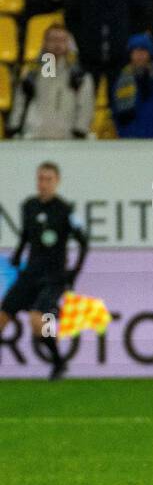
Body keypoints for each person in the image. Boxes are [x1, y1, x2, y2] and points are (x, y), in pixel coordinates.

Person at [0, 162, 87, 381]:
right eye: (40, 179)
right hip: (30, 273)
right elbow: (26, 236)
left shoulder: (65, 210)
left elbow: (83, 243)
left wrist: (73, 273)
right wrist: (18, 255)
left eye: (48, 179)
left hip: (54, 277)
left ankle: (58, 362)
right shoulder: (29, 206)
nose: (43, 184)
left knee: (39, 321)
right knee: (2, 317)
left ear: (57, 182)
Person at [6, 24, 95, 140]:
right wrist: (14, 128)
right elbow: (20, 102)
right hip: (34, 137)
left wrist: (79, 132)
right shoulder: (31, 75)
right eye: (53, 40)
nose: (57, 44)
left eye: (62, 40)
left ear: (69, 44)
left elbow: (85, 106)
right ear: (44, 43)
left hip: (67, 138)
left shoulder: (79, 76)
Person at [111, 33, 153, 138]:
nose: (139, 56)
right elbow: (118, 116)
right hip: (132, 142)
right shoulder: (122, 84)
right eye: (135, 51)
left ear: (150, 54)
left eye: (143, 51)